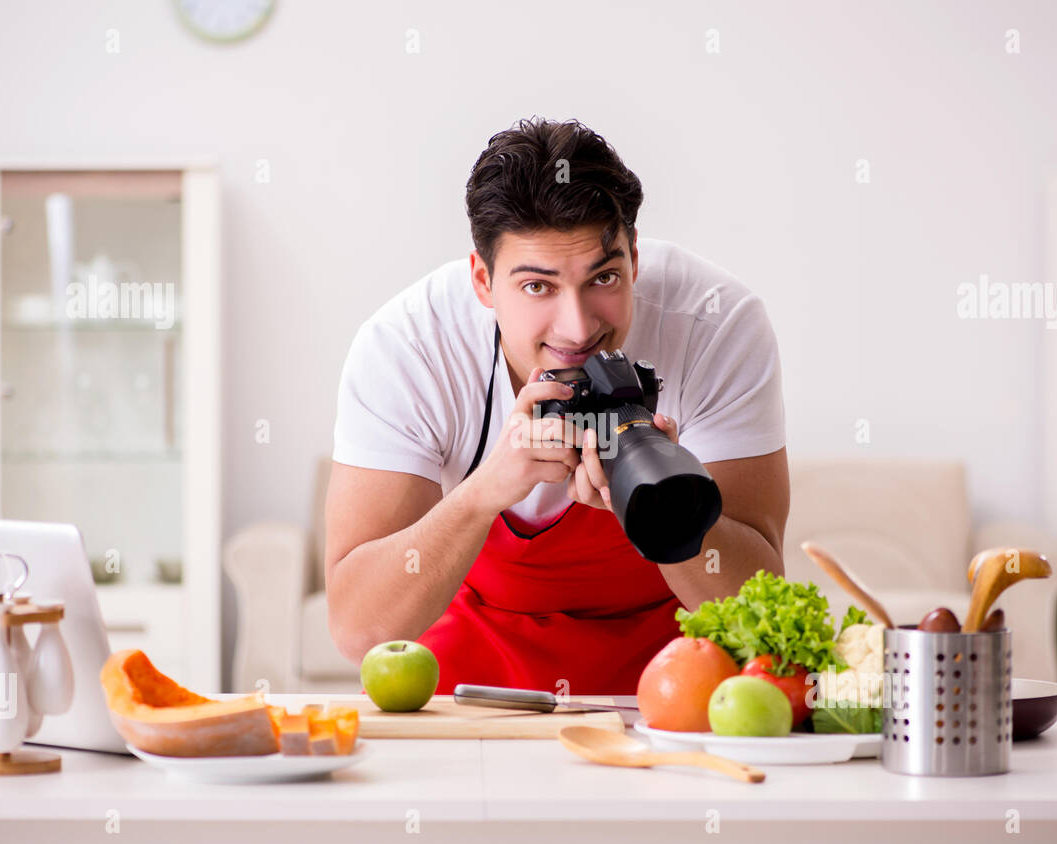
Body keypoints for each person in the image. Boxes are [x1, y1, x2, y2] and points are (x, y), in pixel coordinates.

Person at [326, 116, 789, 695]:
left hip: (670, 680)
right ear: (482, 280)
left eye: (603, 277)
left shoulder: (716, 325)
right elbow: (356, 628)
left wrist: (663, 511)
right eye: (537, 286)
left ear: (635, 258)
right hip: (478, 680)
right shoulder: (411, 347)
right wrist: (482, 494)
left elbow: (759, 612)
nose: (577, 327)